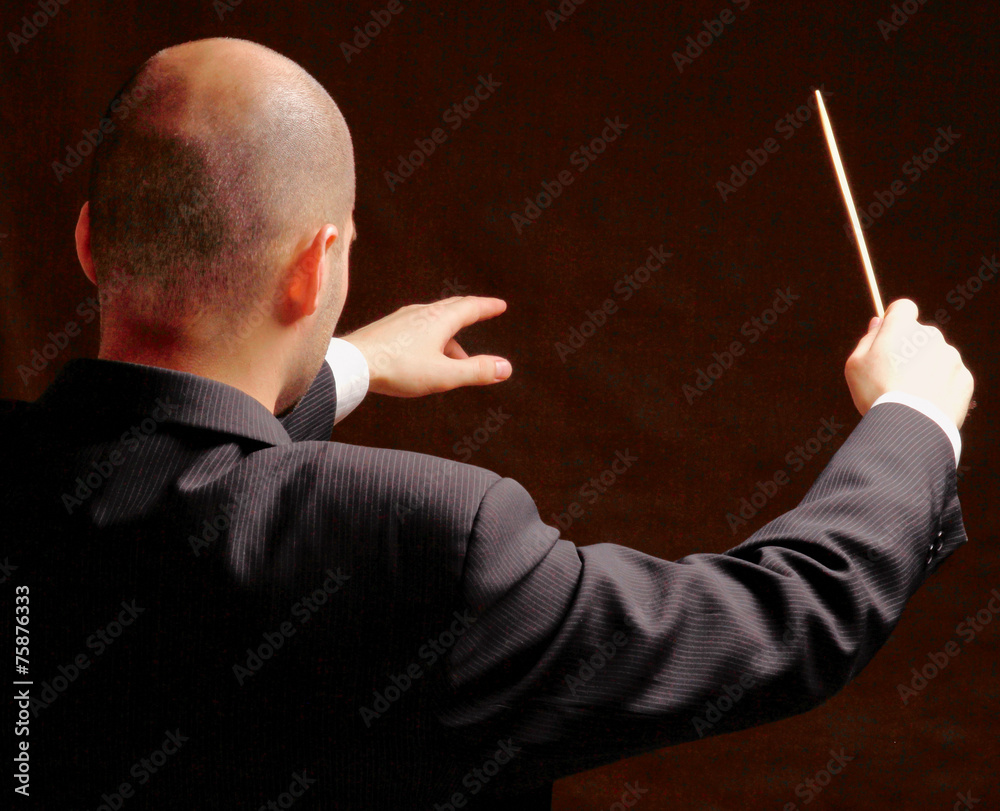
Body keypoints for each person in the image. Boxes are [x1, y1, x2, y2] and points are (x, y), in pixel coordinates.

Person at [2, 37, 974, 810]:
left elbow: (175, 495)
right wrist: (911, 417)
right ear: (313, 267)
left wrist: (344, 367)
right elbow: (771, 623)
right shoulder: (428, 541)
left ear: (90, 240)